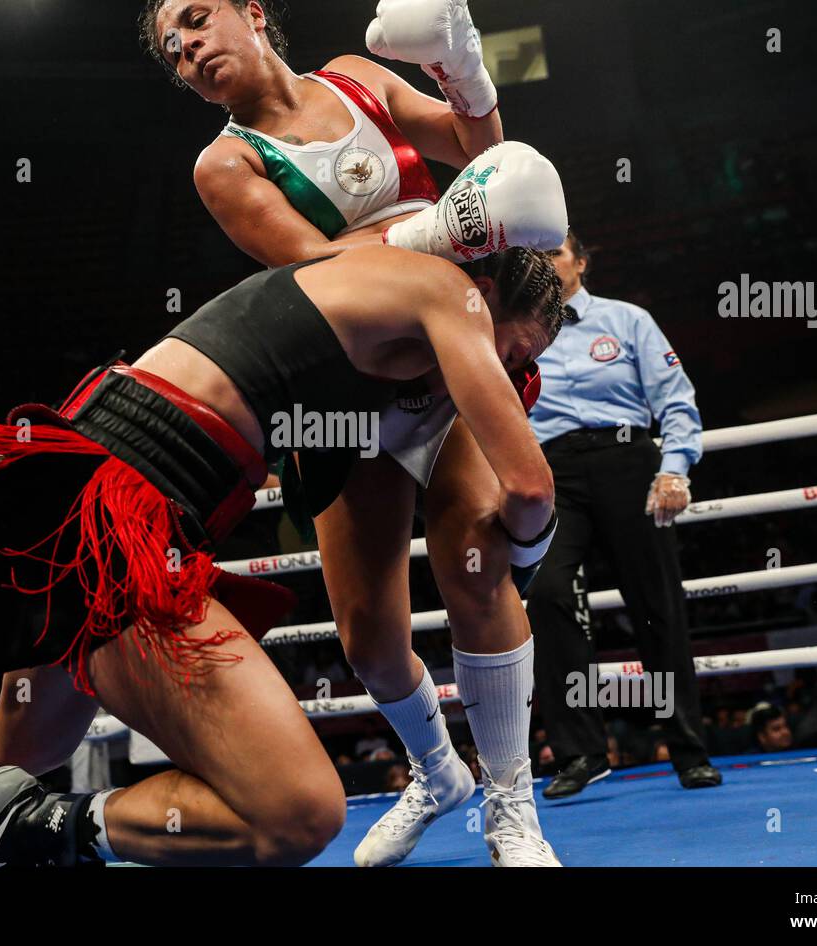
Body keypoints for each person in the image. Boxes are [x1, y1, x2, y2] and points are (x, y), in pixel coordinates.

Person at [0, 240, 566, 869]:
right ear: (485, 293)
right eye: (513, 350)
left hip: (73, 492)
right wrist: (523, 558)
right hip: (120, 530)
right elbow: (529, 488)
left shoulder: (352, 261)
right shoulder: (447, 292)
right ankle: (47, 823)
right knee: (300, 813)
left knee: (24, 739)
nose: (509, 371)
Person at [144, 0, 568, 867]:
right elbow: (321, 278)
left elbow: (486, 161)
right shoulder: (226, 164)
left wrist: (465, 70)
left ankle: (510, 807)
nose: (188, 47)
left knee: (476, 567)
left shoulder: (359, 77)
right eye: (171, 49)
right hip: (343, 392)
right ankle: (434, 770)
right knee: (369, 640)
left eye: (196, 18)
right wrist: (437, 228)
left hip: (448, 356)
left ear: (252, 13)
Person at [525, 230, 723, 799]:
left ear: (581, 263)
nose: (546, 263)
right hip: (550, 472)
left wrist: (675, 468)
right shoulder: (509, 330)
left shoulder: (627, 319)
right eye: (535, 257)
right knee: (546, 593)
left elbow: (676, 401)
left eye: (556, 252)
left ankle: (689, 750)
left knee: (656, 602)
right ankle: (581, 752)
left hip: (629, 462)